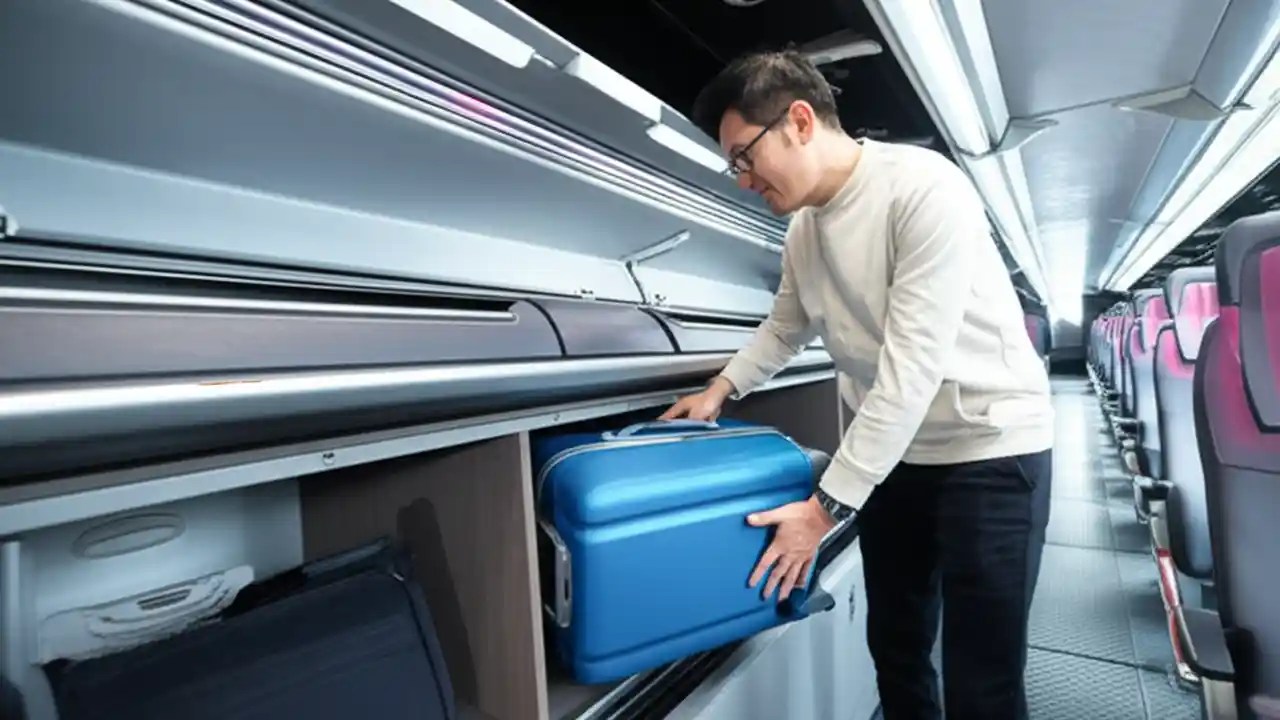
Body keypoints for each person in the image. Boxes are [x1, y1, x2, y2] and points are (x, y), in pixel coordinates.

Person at [659, 50, 1055, 720]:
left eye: (745, 157)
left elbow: (911, 367)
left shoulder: (924, 189)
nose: (743, 179)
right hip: (897, 458)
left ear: (800, 121)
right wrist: (722, 387)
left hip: (989, 450)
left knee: (982, 678)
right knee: (897, 649)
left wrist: (822, 513)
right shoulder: (804, 231)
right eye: (734, 166)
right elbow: (785, 328)